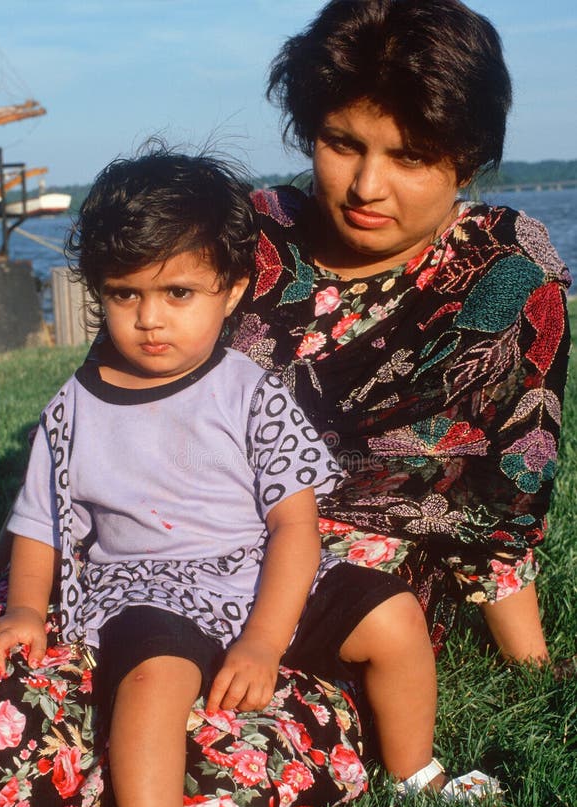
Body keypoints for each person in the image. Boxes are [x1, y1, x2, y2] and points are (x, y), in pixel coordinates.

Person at [0, 148, 497, 807]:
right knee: (151, 687)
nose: (152, 318)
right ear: (98, 293)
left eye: (179, 292)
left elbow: (296, 526)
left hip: (252, 565)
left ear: (230, 291)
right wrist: (28, 608)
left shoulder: (249, 391)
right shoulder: (73, 410)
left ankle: (414, 772)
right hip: (145, 589)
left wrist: (266, 637)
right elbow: (40, 523)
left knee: (393, 616)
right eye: (125, 295)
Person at [230, 0, 571, 665]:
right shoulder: (242, 238)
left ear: (467, 163)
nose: (366, 186)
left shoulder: (507, 275)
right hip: (181, 532)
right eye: (342, 144)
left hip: (363, 590)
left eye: (410, 156)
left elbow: (505, 497)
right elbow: (115, 406)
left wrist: (532, 664)